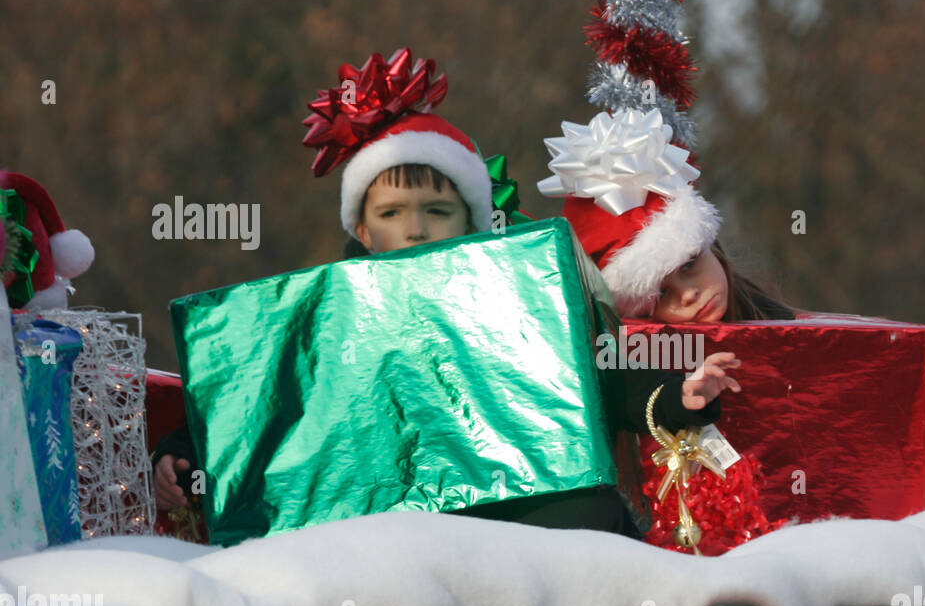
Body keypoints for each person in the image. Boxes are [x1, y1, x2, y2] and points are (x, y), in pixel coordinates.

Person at [153, 51, 736, 536]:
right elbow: (256, 399)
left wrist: (675, 394)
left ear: (472, 220)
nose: (414, 228)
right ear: (362, 228)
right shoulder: (319, 315)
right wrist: (183, 456)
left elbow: (600, 377)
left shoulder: (521, 293)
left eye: (436, 210)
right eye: (391, 212)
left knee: (593, 517)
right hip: (374, 520)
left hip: (505, 505)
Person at [539, 107, 795, 551]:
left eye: (691, 266)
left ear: (710, 245)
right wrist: (681, 396)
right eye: (661, 293)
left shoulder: (782, 324)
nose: (690, 295)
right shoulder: (630, 355)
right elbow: (630, 394)